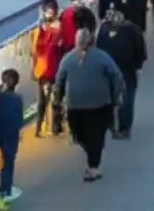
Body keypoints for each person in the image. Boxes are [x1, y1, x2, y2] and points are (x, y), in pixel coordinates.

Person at [53, 28, 125, 182]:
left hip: (85, 105)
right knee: (90, 135)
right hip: (90, 104)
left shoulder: (72, 58)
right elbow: (116, 75)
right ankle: (93, 157)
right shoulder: (97, 57)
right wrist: (116, 95)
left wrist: (57, 98)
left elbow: (59, 80)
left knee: (87, 135)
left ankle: (93, 166)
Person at [96, 6, 148, 139]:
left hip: (110, 71)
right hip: (128, 69)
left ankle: (113, 124)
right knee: (128, 98)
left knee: (112, 98)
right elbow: (140, 50)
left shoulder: (103, 31)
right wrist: (138, 65)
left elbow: (98, 50)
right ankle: (124, 127)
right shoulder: (133, 29)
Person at [0, 69, 25, 208]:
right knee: (8, 162)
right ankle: (6, 190)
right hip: (11, 134)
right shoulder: (17, 99)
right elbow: (19, 120)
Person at [30, 0, 64, 137]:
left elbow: (34, 51)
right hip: (49, 69)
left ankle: (42, 128)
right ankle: (52, 127)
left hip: (46, 69)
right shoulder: (47, 28)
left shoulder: (41, 29)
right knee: (51, 100)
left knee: (46, 100)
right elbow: (34, 51)